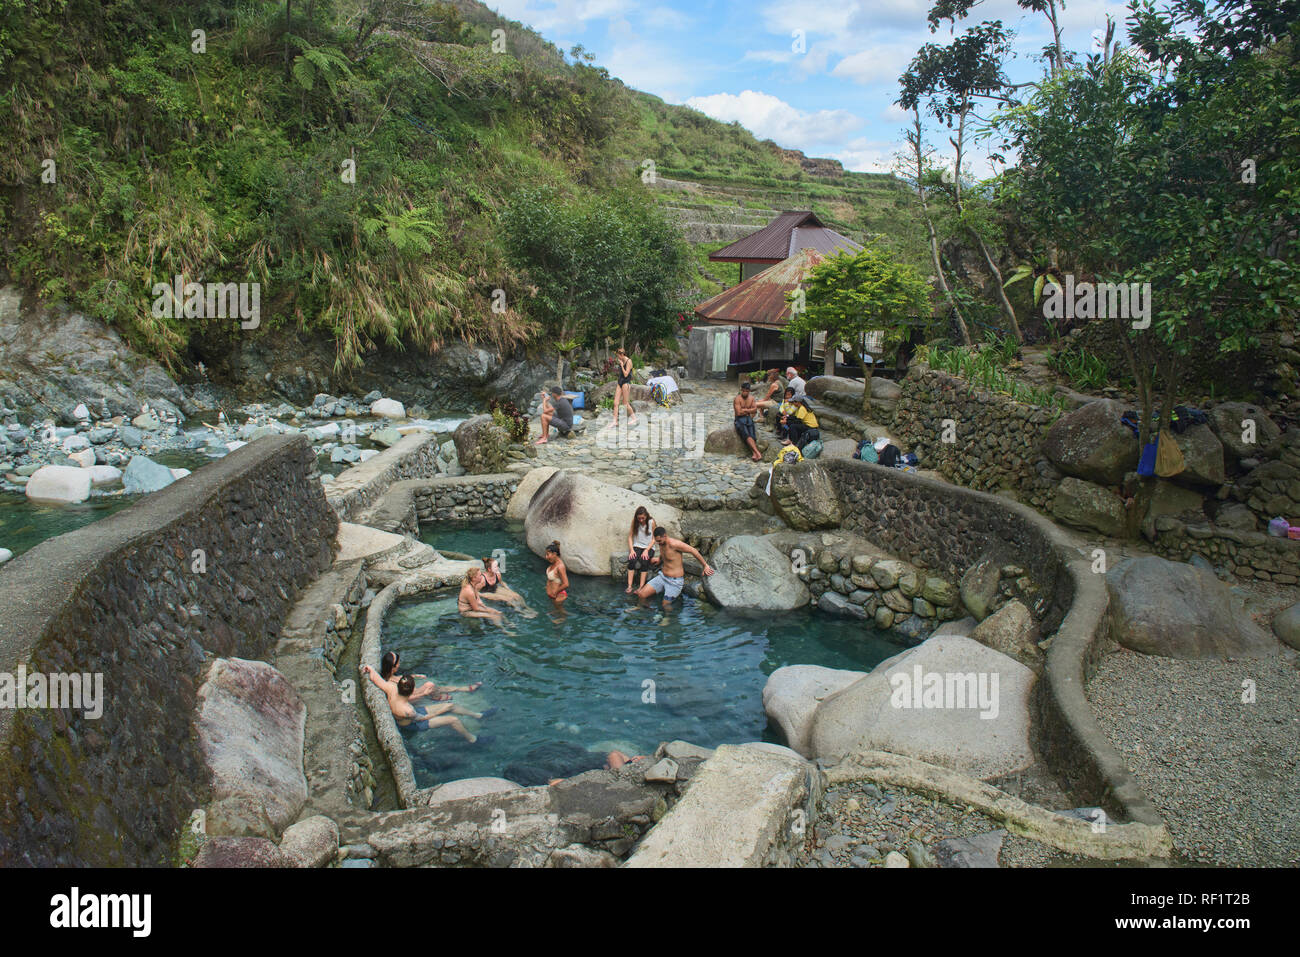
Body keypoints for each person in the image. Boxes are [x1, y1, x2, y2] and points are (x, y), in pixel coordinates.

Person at [361, 670, 490, 743]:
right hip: (413, 724)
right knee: (453, 720)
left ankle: (478, 715)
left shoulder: (391, 688)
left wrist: (369, 669)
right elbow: (423, 718)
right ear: (412, 691)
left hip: (414, 715)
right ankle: (472, 739)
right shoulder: (408, 710)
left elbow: (376, 678)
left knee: (450, 705)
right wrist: (441, 710)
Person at [637, 525, 715, 609]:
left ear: (665, 536)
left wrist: (705, 565)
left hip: (675, 582)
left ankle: (666, 620)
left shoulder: (675, 544)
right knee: (641, 594)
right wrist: (659, 559)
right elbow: (665, 553)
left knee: (665, 605)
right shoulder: (661, 543)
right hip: (662, 577)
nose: (658, 543)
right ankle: (642, 608)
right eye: (657, 541)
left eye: (659, 541)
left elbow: (693, 551)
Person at [375, 650, 482, 703]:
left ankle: (463, 689)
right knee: (430, 685)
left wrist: (416, 675)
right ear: (394, 666)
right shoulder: (389, 683)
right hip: (412, 696)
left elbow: (401, 678)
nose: (399, 664)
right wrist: (423, 694)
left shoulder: (391, 675)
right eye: (398, 662)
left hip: (413, 690)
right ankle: (436, 697)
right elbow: (403, 698)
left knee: (438, 688)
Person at [626, 506, 657, 594]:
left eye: (643, 518)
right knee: (632, 560)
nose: (641, 520)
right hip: (637, 545)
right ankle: (629, 586)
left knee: (645, 560)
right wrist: (631, 550)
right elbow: (630, 537)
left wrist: (647, 550)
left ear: (646, 516)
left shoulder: (651, 522)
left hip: (649, 546)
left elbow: (654, 539)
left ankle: (641, 587)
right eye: (639, 518)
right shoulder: (634, 521)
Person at [732, 382, 763, 461]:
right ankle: (757, 452)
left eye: (746, 391)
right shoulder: (737, 399)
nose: (744, 392)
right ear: (741, 390)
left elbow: (755, 410)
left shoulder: (751, 398)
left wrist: (745, 410)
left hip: (748, 419)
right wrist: (749, 411)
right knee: (746, 434)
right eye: (743, 391)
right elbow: (738, 412)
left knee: (752, 435)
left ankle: (754, 453)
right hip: (739, 419)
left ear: (749, 391)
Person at [613, 348, 637, 427]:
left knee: (625, 403)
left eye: (618, 356)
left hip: (626, 383)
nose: (618, 358)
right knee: (616, 403)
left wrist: (622, 366)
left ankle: (634, 418)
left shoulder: (628, 361)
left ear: (622, 354)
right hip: (620, 382)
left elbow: (626, 374)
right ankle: (615, 421)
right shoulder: (621, 360)